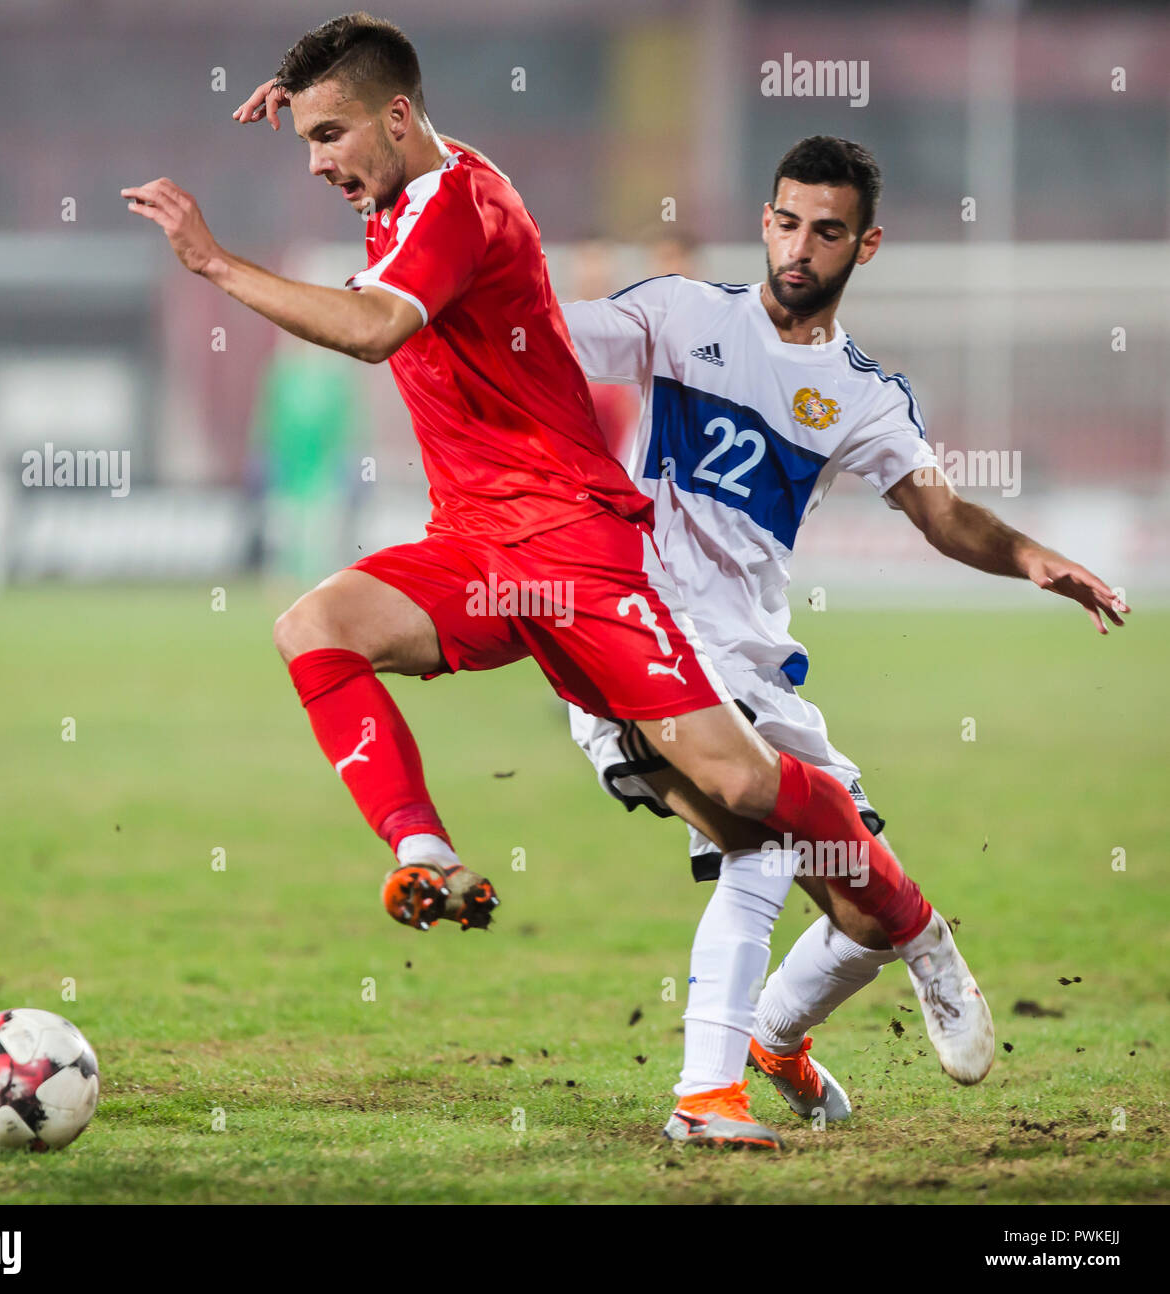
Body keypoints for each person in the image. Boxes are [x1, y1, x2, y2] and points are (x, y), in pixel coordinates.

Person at [124, 13, 987, 1149]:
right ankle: (424, 851)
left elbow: (376, 330)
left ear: (398, 118)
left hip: (570, 548)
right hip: (475, 543)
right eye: (307, 142)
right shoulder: (406, 180)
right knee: (313, 627)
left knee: (745, 789)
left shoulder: (456, 205)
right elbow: (378, 113)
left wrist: (213, 262)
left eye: (331, 138)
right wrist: (307, 91)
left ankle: (913, 928)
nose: (318, 162)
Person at [557, 135, 1128, 1131]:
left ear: (865, 245)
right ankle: (706, 1097)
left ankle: (771, 1037)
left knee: (863, 912)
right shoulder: (682, 316)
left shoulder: (861, 396)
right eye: (786, 223)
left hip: (751, 667)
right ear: (765, 221)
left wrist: (1028, 554)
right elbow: (543, 335)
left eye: (826, 231)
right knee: (760, 842)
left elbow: (942, 512)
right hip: (640, 638)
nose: (798, 247)